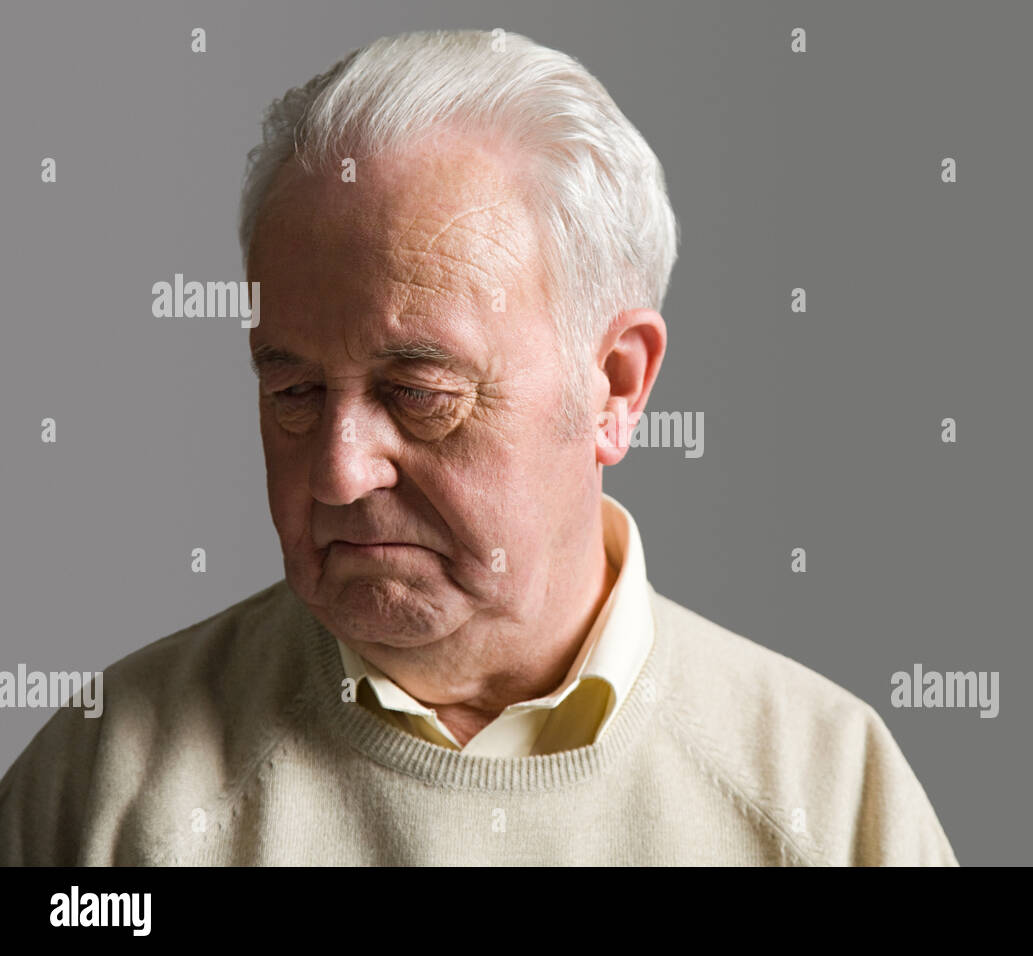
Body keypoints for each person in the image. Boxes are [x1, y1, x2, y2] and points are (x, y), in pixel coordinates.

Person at [0, 29, 957, 866]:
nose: (338, 469)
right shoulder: (106, 785)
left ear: (616, 387)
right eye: (293, 391)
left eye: (419, 394)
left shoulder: (830, 800)